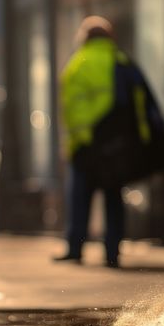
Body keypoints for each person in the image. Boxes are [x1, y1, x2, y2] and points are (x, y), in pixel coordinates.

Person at [54, 16, 131, 268]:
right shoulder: (119, 60)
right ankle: (113, 251)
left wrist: (75, 141)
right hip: (115, 143)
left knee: (80, 198)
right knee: (113, 197)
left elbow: (70, 109)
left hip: (85, 144)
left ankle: (76, 248)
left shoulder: (77, 64)